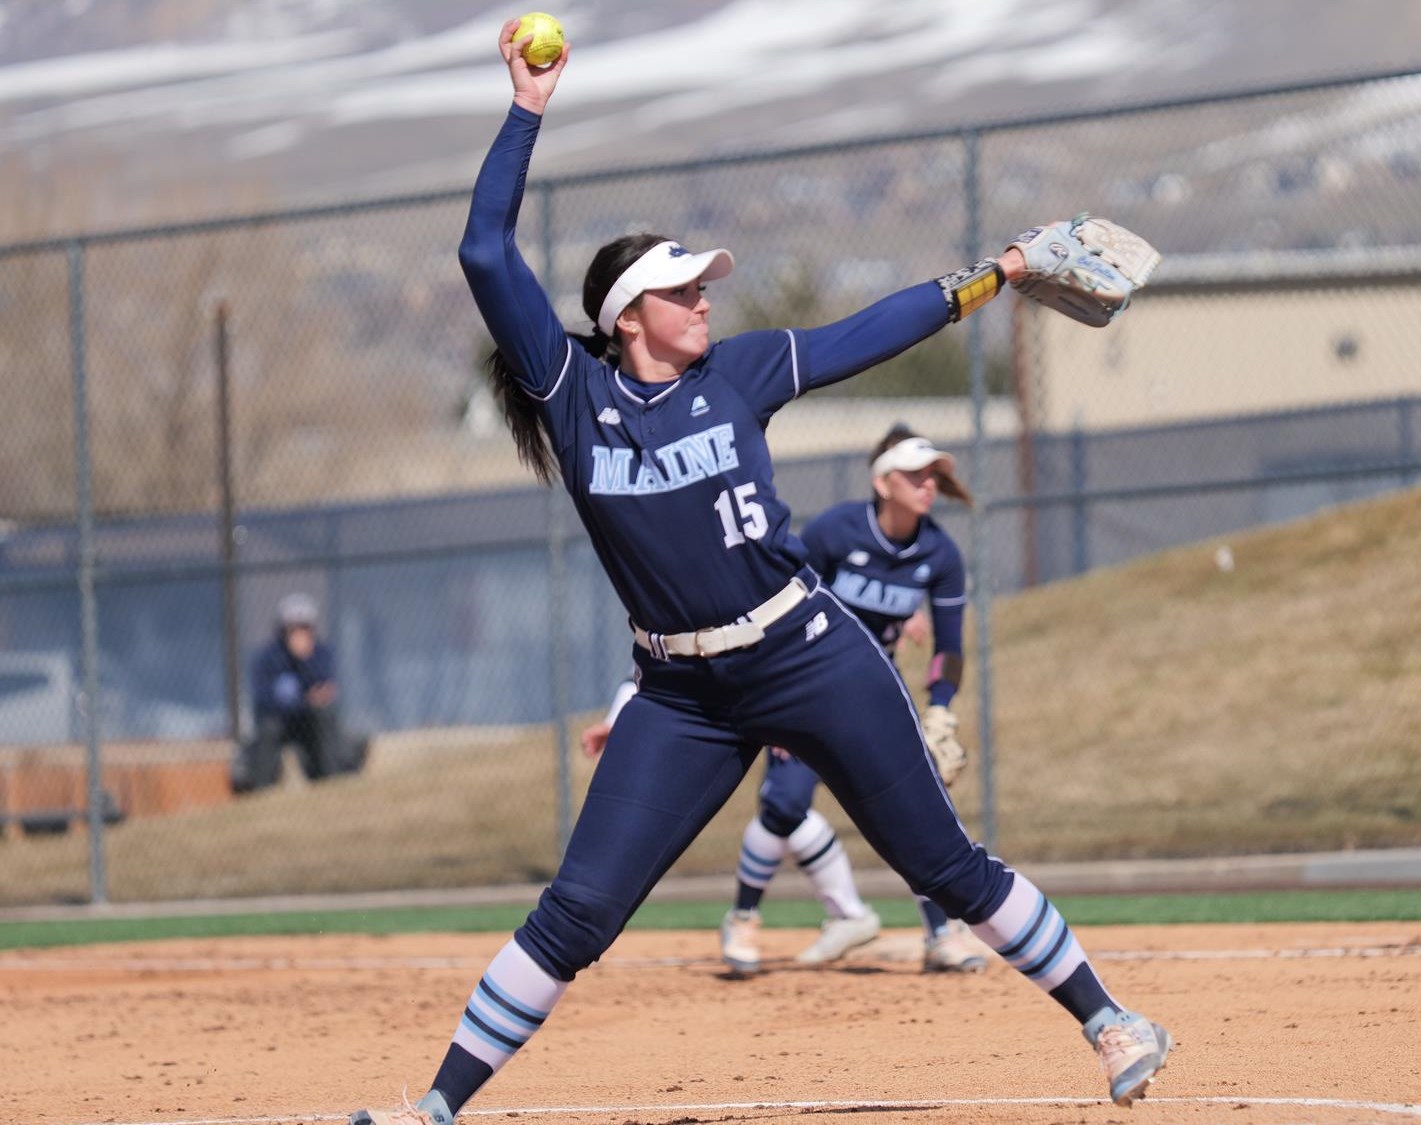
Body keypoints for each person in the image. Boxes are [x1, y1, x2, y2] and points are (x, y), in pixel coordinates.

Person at [349, 21, 1170, 1125]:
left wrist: (1003, 272)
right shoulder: (574, 396)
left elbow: (866, 333)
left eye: (703, 287)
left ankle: (1111, 1020)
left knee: (943, 867)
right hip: (680, 694)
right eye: (681, 291)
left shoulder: (740, 373)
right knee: (577, 912)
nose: (704, 301)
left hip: (806, 654)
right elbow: (485, 254)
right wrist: (527, 109)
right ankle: (435, 1107)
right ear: (626, 318)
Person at [710, 426, 986, 976]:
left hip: (877, 688)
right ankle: (743, 917)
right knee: (784, 803)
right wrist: (778, 697)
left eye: (932, 475)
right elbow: (783, 603)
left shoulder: (939, 553)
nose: (928, 484)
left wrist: (941, 707)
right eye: (914, 475)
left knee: (916, 806)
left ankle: (941, 933)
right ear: (883, 483)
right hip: (807, 681)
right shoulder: (836, 531)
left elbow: (950, 648)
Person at [230, 592, 365, 793]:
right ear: (283, 631)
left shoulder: (320, 654)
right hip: (280, 722)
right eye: (294, 629)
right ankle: (262, 788)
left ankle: (333, 780)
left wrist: (304, 661)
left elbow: (324, 690)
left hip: (309, 722)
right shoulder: (267, 658)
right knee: (268, 729)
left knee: (325, 716)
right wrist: (304, 700)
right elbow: (265, 697)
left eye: (305, 628)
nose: (300, 635)